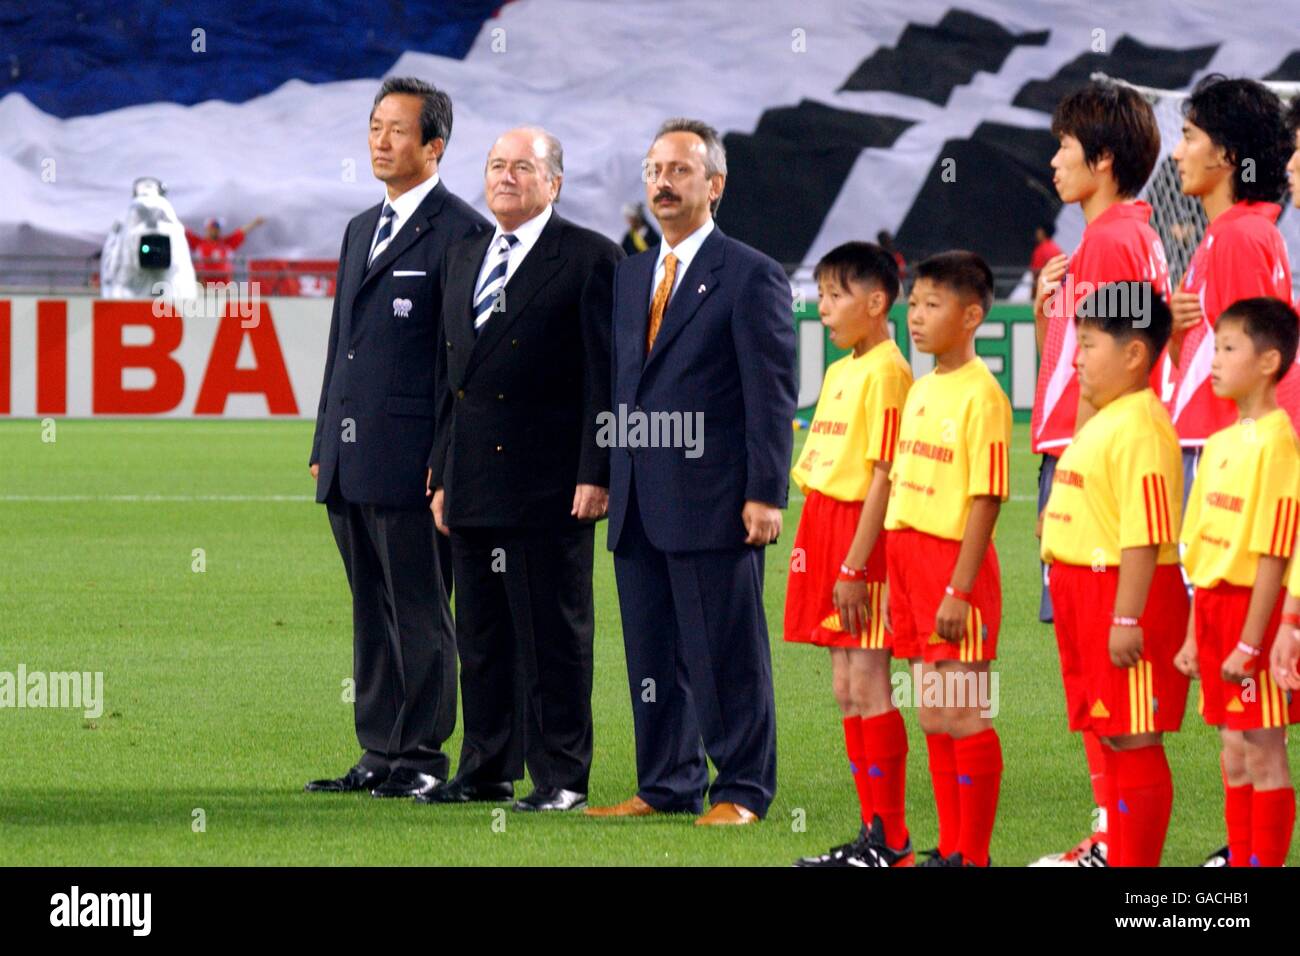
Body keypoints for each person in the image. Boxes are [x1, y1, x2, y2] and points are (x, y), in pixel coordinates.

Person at [585, 118, 797, 825]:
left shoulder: (751, 275)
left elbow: (771, 394)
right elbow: (622, 385)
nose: (662, 184)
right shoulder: (633, 273)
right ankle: (665, 783)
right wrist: (610, 471)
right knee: (652, 657)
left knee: (726, 656)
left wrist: (766, 492)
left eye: (679, 171)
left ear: (716, 184)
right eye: (653, 171)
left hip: (714, 500)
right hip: (639, 499)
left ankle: (741, 790)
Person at [422, 127, 622, 812]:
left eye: (523, 167)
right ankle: (484, 769)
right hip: (473, 479)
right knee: (479, 634)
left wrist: (596, 470)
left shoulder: (592, 257)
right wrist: (441, 474)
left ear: (554, 183)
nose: (506, 177)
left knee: (553, 635)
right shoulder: (463, 255)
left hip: (552, 483)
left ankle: (562, 776)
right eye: (496, 165)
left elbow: (606, 376)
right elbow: (453, 379)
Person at [305, 77, 488, 799]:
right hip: (351, 459)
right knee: (370, 612)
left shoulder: (462, 232)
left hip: (414, 463)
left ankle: (420, 756)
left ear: (434, 145)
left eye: (396, 130)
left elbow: (459, 367)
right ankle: (378, 751)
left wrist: (444, 463)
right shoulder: (359, 228)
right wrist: (325, 439)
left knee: (419, 610)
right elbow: (340, 349)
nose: (380, 141)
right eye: (374, 127)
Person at [1029, 80, 1168, 867]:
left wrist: (1078, 466)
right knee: (1089, 675)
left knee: (1105, 678)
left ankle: (1121, 848)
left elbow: (1121, 375)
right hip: (1075, 461)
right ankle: (1110, 838)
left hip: (1087, 471)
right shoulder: (1109, 238)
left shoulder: (1115, 240)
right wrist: (1054, 316)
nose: (1053, 161)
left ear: (1104, 157)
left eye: (1065, 147)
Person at [1168, 74, 1295, 866]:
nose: (1177, 151)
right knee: (1234, 717)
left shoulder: (1243, 237)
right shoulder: (1230, 235)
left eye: (1187, 136)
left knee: (1255, 718)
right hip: (1220, 468)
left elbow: (1262, 373)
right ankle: (1238, 855)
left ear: (1227, 154)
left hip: (1238, 477)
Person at [1041, 282, 1189, 867]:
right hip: (1086, 591)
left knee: (1134, 735)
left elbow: (1146, 535)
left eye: (1088, 344)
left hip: (1123, 597)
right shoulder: (1108, 416)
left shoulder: (1142, 426)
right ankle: (1121, 855)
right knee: (1112, 734)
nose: (1076, 357)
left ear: (1133, 354)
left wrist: (1126, 615)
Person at [786, 242, 913, 867]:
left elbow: (886, 474)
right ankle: (873, 834)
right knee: (846, 687)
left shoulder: (890, 371)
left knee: (869, 683)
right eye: (821, 294)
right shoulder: (843, 370)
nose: (823, 308)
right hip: (827, 526)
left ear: (877, 301)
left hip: (864, 538)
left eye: (836, 296)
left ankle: (893, 839)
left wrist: (855, 565)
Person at [885, 251, 1011, 868]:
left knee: (963, 711)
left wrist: (959, 589)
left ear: (971, 316)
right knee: (933, 712)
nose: (916, 316)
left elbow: (986, 497)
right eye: (913, 303)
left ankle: (975, 855)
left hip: (952, 566)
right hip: (908, 560)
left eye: (933, 305)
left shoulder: (983, 394)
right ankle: (951, 849)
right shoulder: (923, 387)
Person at [1174, 298, 1300, 867]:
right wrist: (1196, 636)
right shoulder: (1222, 442)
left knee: (1263, 747)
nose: (1215, 361)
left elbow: (1275, 551)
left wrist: (1254, 641)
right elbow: (1200, 547)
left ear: (1270, 360)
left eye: (1228, 349)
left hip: (1257, 613)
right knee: (1232, 750)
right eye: (1214, 347)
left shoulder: (1277, 442)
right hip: (1217, 612)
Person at [185, 215, 267, 285]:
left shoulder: (227, 243)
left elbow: (241, 232)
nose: (216, 230)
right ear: (207, 229)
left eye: (217, 228)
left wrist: (255, 223)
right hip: (203, 286)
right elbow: (184, 230)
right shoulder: (198, 243)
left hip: (224, 286)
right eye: (213, 228)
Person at [1029, 222, 1063, 306]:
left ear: (1043, 232)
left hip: (1043, 295)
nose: (1036, 233)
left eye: (1038, 231)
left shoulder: (1040, 250)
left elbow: (1036, 275)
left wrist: (1033, 296)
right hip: (1057, 293)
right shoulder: (1057, 249)